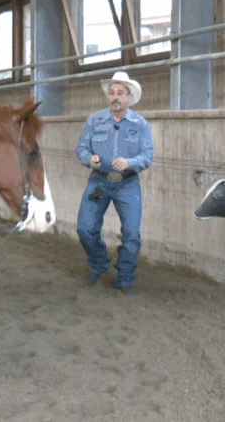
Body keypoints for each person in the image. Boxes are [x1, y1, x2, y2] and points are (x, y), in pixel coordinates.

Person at [74, 72, 154, 296]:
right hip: (98, 182)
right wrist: (89, 158)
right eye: (112, 93)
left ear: (129, 97)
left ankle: (125, 277)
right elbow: (81, 148)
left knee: (131, 233)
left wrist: (130, 162)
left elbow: (148, 155)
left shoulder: (140, 124)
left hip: (127, 184)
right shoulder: (94, 120)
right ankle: (99, 263)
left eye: (120, 93)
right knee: (85, 229)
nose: (115, 97)